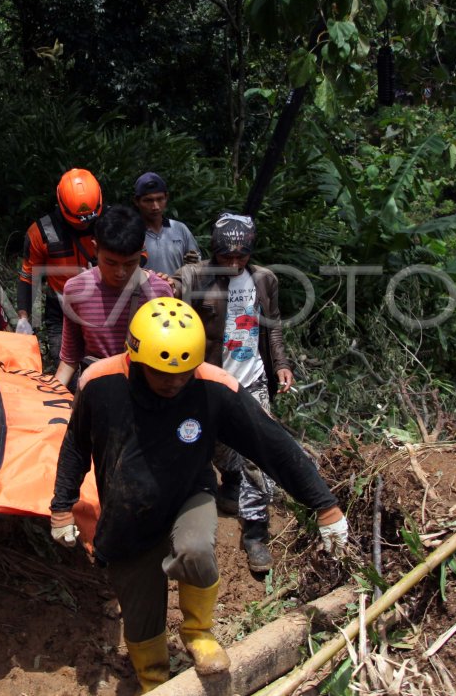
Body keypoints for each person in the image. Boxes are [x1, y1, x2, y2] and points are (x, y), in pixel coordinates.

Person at [50, 298, 348, 692]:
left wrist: (324, 504)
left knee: (195, 549)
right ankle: (154, 678)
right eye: (163, 374)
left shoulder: (213, 387)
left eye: (182, 374)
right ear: (136, 358)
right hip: (127, 513)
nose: (174, 382)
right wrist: (61, 506)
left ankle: (198, 633)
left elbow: (270, 443)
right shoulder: (101, 385)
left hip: (190, 494)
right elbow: (75, 446)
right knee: (140, 614)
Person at [173, 213, 296, 574]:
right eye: (226, 257)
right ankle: (227, 487)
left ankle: (256, 534)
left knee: (259, 454)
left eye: (240, 257)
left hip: (252, 379)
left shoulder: (264, 280)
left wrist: (281, 365)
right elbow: (168, 298)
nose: (233, 263)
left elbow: (272, 328)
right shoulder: (194, 277)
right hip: (206, 380)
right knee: (208, 447)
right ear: (214, 251)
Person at [55, 205, 173, 389]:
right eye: (111, 262)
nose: (120, 273)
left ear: (141, 250)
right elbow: (70, 358)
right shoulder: (75, 290)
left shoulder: (160, 292)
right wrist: (51, 398)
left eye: (130, 263)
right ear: (95, 249)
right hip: (95, 394)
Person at [17, 168, 103, 368]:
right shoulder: (41, 233)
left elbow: (137, 257)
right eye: (78, 221)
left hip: (104, 308)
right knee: (66, 370)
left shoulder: (110, 223)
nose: (84, 226)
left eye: (88, 220)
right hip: (62, 312)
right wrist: (23, 317)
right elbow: (29, 277)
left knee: (101, 371)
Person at [132, 172, 200, 275]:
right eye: (148, 200)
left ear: (166, 197)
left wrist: (194, 264)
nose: (155, 206)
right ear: (136, 201)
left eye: (160, 199)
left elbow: (197, 266)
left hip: (176, 290)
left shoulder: (179, 229)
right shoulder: (131, 232)